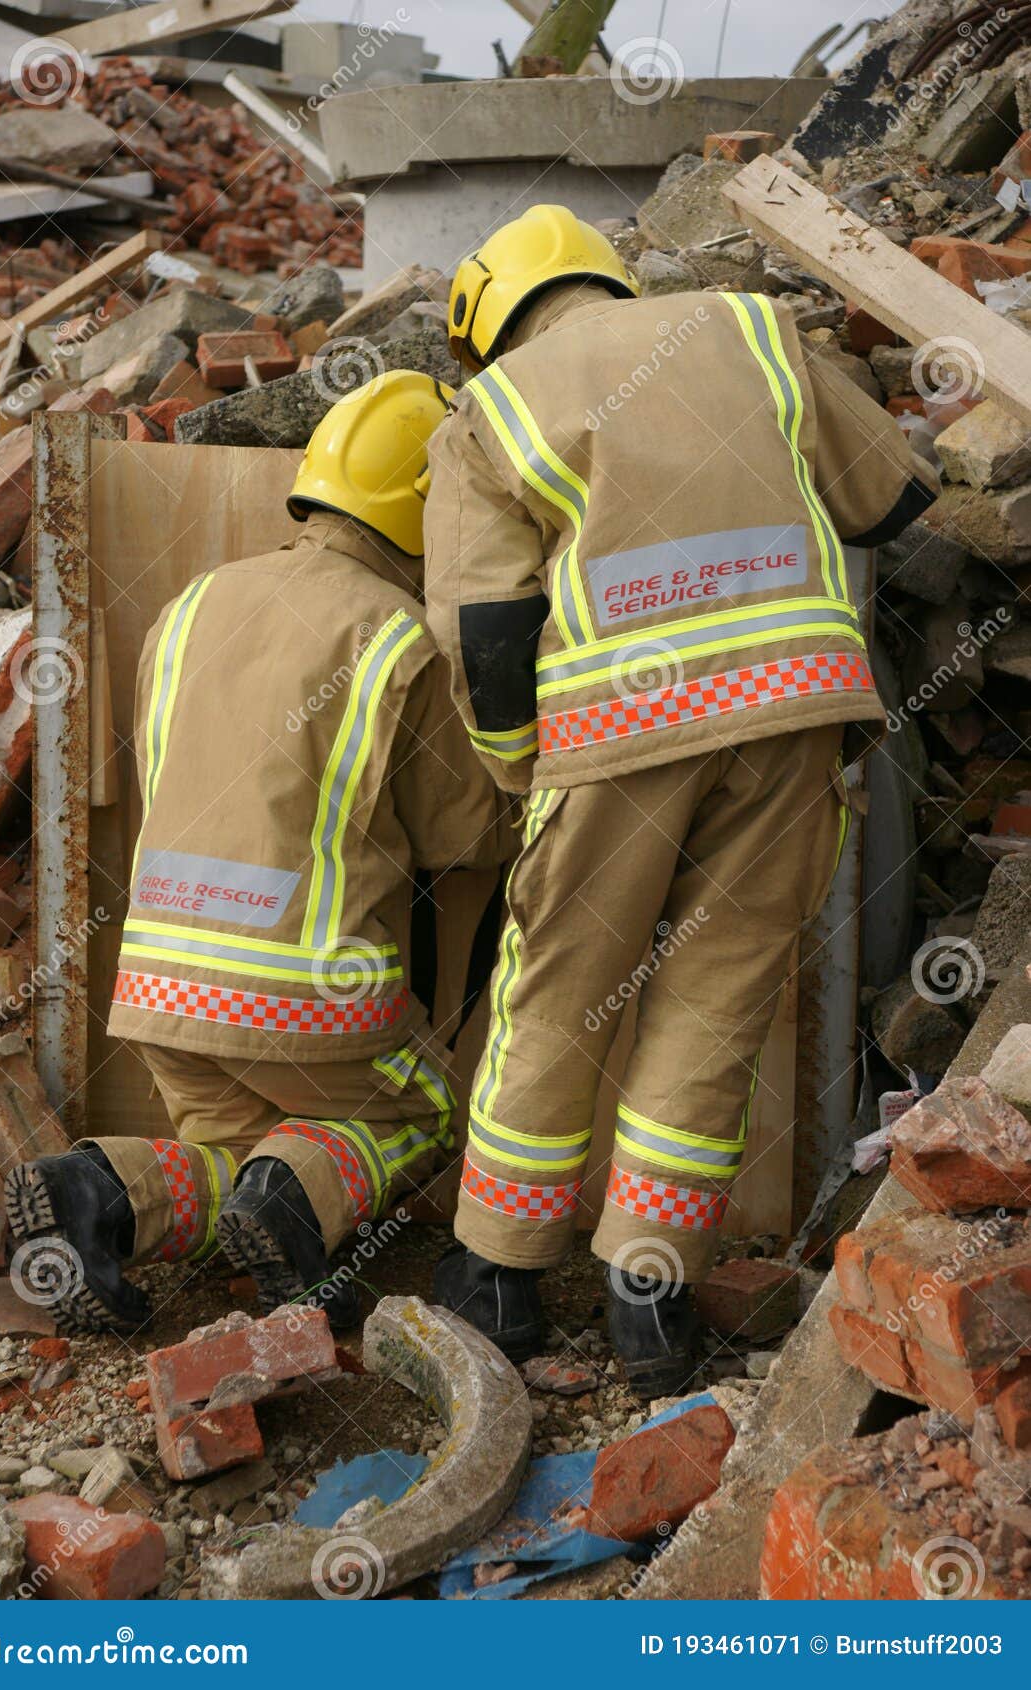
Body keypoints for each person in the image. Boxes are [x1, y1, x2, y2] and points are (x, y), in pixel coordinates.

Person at [424, 204, 939, 1396]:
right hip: (797, 710)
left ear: (487, 325)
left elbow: (489, 633)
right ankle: (648, 1305)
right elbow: (891, 507)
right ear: (608, 277)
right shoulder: (753, 332)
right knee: (717, 998)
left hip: (614, 730)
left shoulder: (487, 409)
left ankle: (498, 1280)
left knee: (557, 987)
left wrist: (519, 765)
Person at [6, 370, 507, 1335]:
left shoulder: (194, 605)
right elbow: (463, 836)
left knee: (242, 1162)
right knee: (425, 1113)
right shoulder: (399, 634)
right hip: (307, 997)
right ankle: (298, 1204)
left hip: (158, 992)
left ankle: (93, 1191)